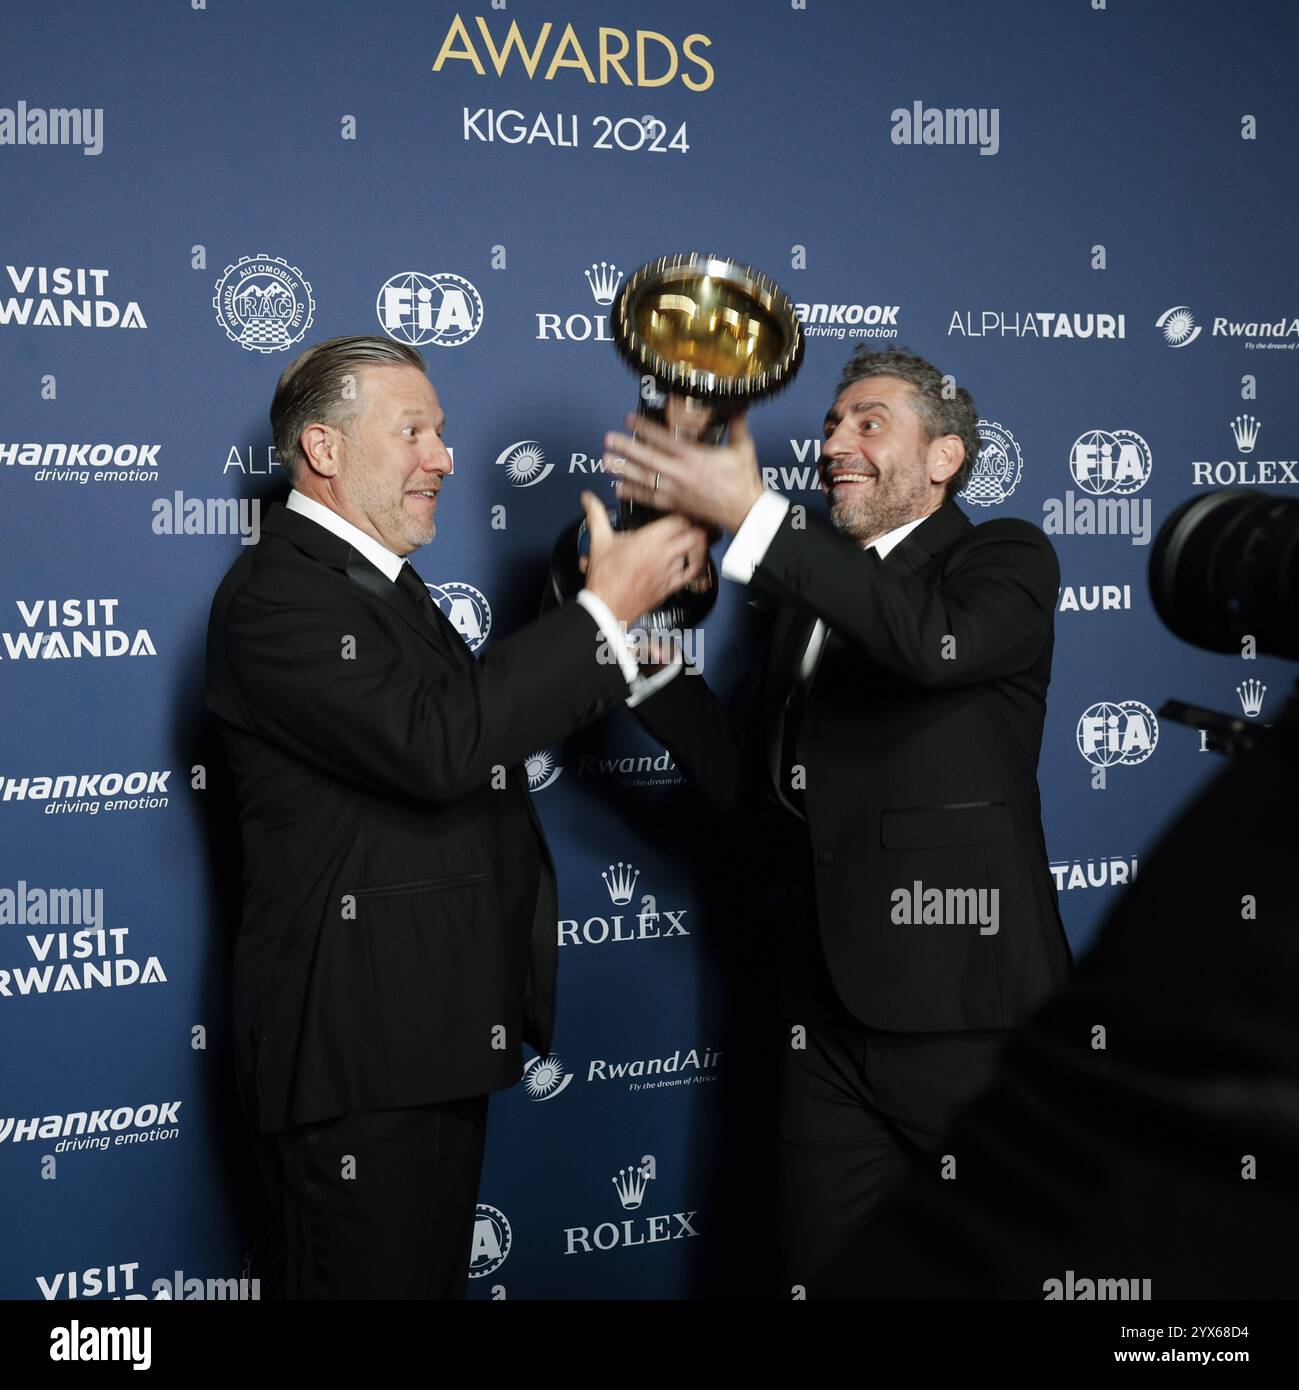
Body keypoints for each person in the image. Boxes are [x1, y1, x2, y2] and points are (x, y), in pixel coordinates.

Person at [205, 334, 708, 1298]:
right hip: (356, 1065)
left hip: (420, 1043)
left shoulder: (380, 588)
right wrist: (597, 615)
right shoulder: (280, 597)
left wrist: (615, 636)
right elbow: (439, 745)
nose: (443, 456)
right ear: (323, 448)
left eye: (441, 432)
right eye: (414, 432)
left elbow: (469, 734)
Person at [608, 345, 1074, 1295]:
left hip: (964, 1016)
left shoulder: (1003, 559)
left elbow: (926, 647)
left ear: (943, 460)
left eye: (869, 423)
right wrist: (629, 643)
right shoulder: (799, 604)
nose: (834, 445)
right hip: (817, 1015)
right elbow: (752, 784)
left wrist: (756, 521)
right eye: (829, 424)